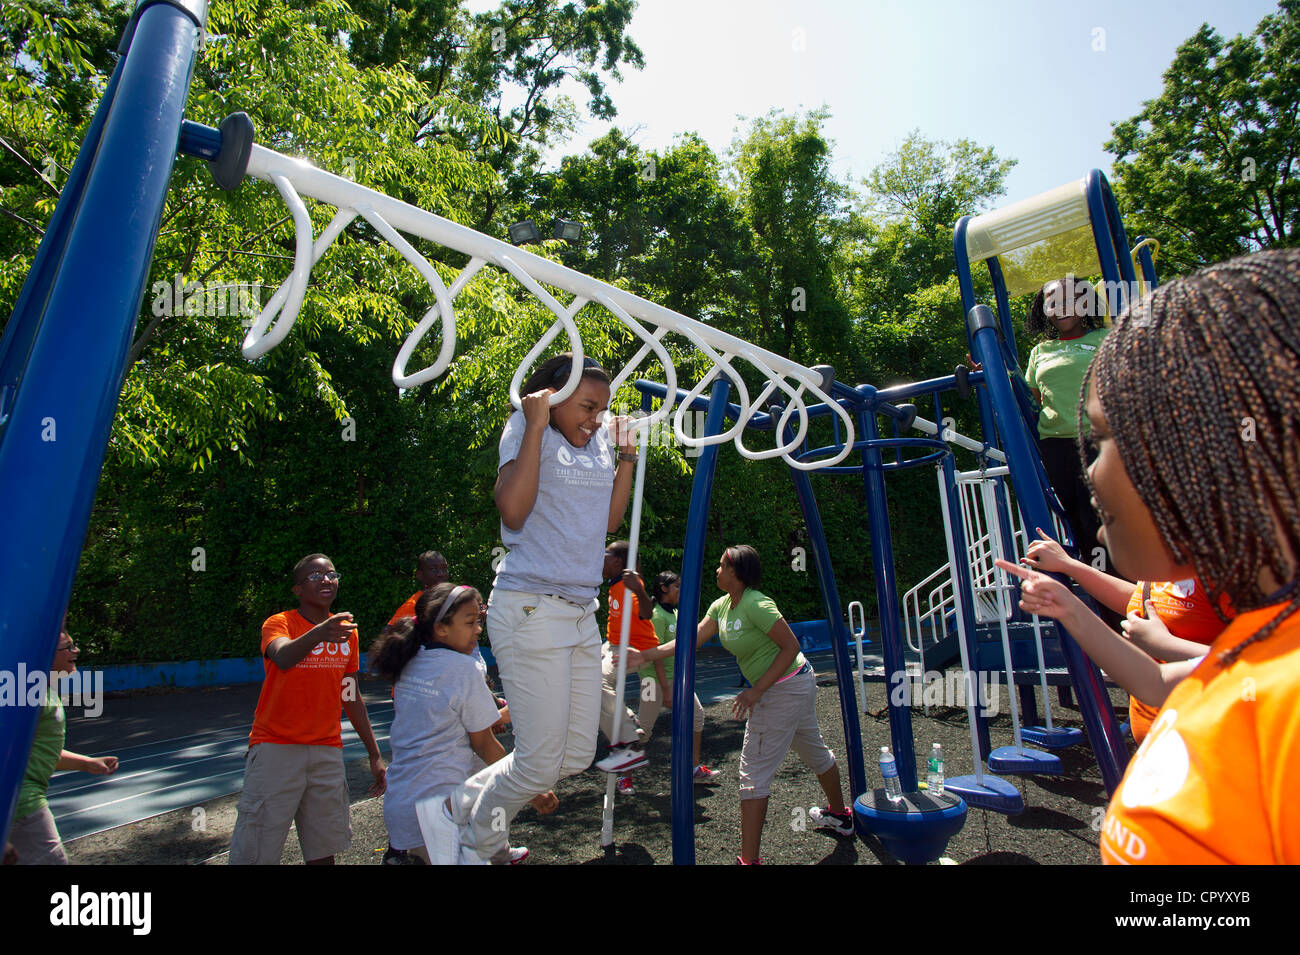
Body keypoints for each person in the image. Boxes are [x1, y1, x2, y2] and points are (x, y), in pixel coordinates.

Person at [997, 248, 1300, 864]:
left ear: (1208, 447)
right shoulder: (1261, 650)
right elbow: (1165, 677)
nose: (1092, 467)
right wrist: (1072, 602)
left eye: (1103, 437)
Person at [424, 353, 638, 864]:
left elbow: (608, 522)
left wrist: (626, 456)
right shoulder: (525, 425)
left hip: (581, 612)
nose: (596, 418)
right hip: (531, 608)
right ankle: (474, 847)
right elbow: (514, 512)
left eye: (602, 409)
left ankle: (461, 803)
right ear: (553, 398)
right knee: (540, 766)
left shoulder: (600, 440)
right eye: (587, 406)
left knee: (575, 756)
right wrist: (538, 424)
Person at [633, 545, 849, 864]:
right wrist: (647, 655)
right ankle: (840, 816)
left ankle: (749, 861)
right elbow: (690, 639)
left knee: (752, 773)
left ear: (735, 571)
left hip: (784, 687)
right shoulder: (721, 606)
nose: (716, 571)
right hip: (794, 684)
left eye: (721, 566)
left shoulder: (757, 603)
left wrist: (756, 691)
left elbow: (790, 647)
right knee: (813, 749)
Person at [373, 583, 556, 865]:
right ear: (441, 628)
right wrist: (531, 791)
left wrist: (516, 709)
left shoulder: (411, 660)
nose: (478, 630)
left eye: (478, 621)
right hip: (439, 805)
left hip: (403, 801)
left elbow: (456, 719)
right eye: (470, 622)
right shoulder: (462, 668)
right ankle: (500, 852)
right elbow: (483, 743)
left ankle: (500, 852)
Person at [228, 554, 387, 865]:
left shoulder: (347, 632)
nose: (326, 579)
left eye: (331, 574)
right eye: (315, 576)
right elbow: (282, 657)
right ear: (297, 589)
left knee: (322, 850)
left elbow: (350, 694)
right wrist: (319, 633)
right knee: (257, 851)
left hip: (326, 751)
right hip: (276, 748)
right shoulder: (280, 623)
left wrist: (374, 752)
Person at [1021, 529, 1232, 741]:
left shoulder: (1228, 572)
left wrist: (1166, 644)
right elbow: (1143, 603)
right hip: (1161, 743)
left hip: (1207, 741)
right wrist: (1069, 565)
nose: (1102, 533)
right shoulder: (1165, 559)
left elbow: (1259, 661)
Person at [5, 628, 118, 865]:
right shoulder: (26, 693)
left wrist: (86, 763)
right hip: (23, 806)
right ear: (44, 653)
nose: (76, 650)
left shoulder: (40, 691)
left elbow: (36, 751)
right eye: (68, 647)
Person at [1023, 276, 1110, 567]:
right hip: (1056, 446)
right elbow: (1031, 398)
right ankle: (1104, 602)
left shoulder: (1105, 339)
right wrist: (990, 376)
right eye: (1052, 302)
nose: (1060, 308)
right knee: (1076, 519)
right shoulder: (1040, 352)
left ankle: (1127, 590)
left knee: (1096, 517)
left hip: (1098, 441)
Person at [634, 570, 714, 789]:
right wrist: (666, 690)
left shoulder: (676, 613)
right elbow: (656, 654)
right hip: (652, 682)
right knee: (644, 730)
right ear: (663, 589)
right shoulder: (657, 615)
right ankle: (624, 775)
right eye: (676, 586)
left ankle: (694, 768)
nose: (680, 590)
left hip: (676, 679)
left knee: (697, 716)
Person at [593, 540, 654, 781]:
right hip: (611, 645)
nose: (600, 559)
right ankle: (628, 718)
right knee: (580, 675)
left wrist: (638, 589)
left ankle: (630, 745)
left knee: (598, 681)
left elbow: (647, 612)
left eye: (604, 554)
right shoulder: (615, 582)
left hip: (635, 648)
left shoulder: (630, 583)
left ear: (618, 561)